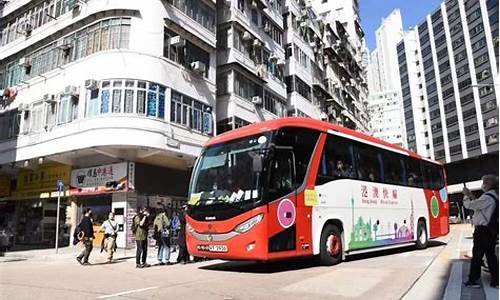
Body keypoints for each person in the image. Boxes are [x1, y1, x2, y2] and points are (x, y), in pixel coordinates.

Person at [462, 175, 499, 288]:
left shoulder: (487, 197)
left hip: (482, 231)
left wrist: (466, 195)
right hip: (491, 230)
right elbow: (478, 203)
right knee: (491, 256)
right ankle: (496, 281)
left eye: (484, 182)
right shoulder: (495, 195)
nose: (482, 185)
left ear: (488, 184)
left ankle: (473, 280)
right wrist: (471, 195)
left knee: (477, 256)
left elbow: (470, 205)